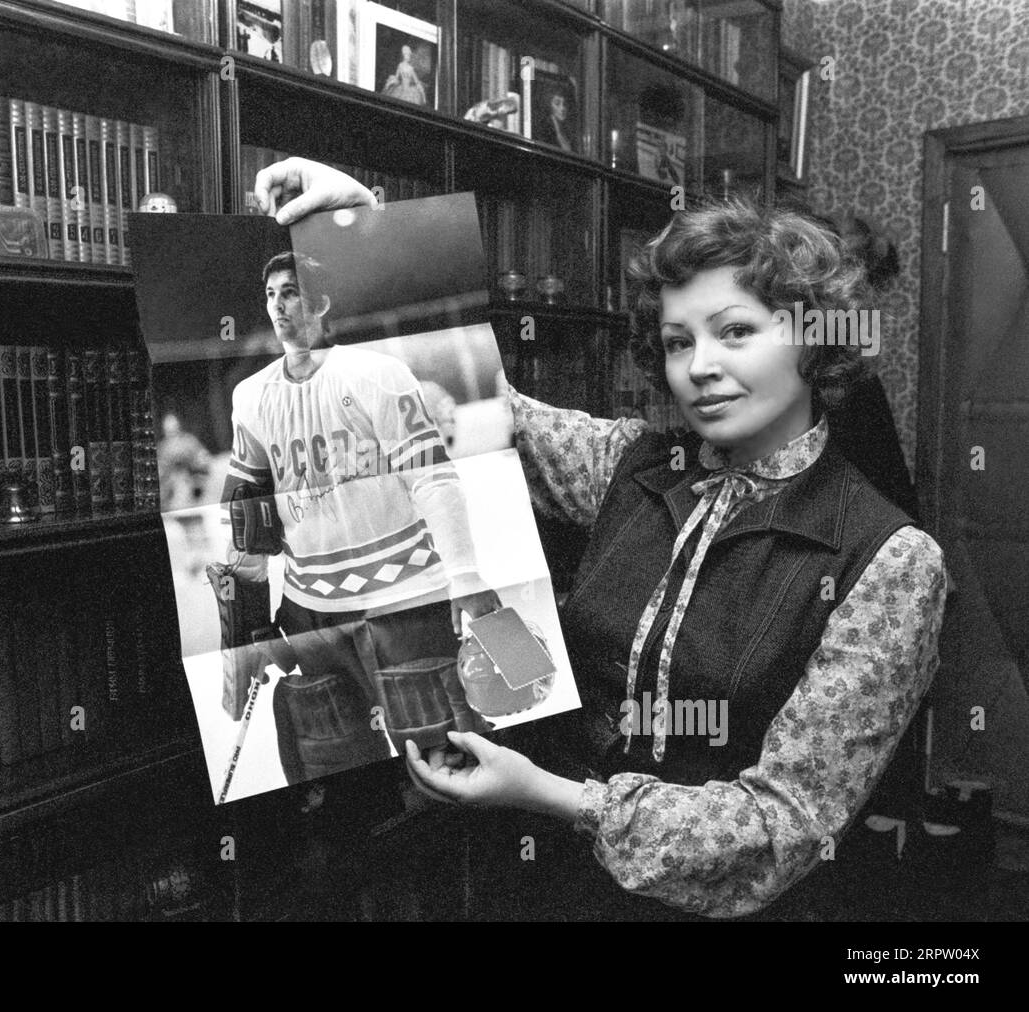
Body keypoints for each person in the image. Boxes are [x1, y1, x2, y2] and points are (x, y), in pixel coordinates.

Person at [249, 158, 947, 919]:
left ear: (813, 341)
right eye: (679, 342)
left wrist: (554, 796)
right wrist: (364, 232)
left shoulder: (892, 563)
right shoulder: (634, 463)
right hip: (551, 887)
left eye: (736, 332)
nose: (701, 368)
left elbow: (782, 826)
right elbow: (473, 403)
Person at [221, 250, 501, 787]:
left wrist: (465, 577)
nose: (278, 306)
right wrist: (247, 630)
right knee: (339, 771)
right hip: (309, 615)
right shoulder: (250, 396)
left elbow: (432, 477)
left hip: (403, 604)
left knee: (443, 768)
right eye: (270, 295)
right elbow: (246, 519)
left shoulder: (379, 374)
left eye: (291, 292)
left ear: (322, 303)